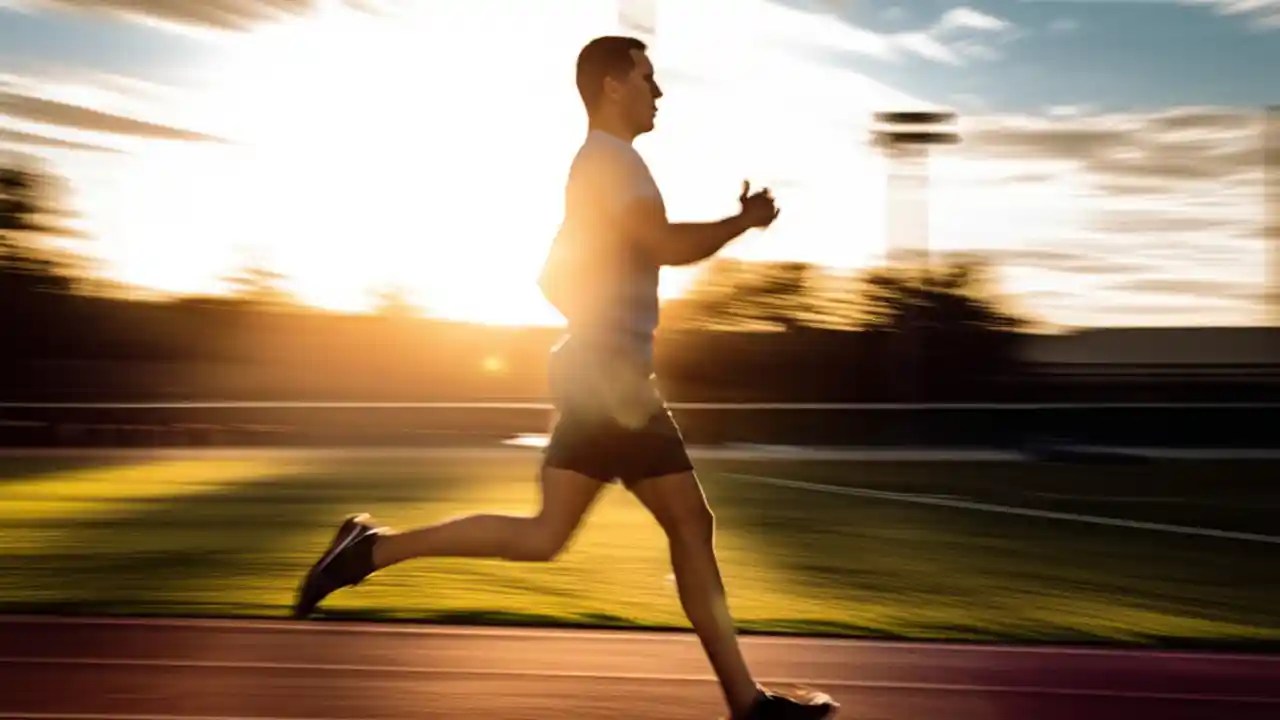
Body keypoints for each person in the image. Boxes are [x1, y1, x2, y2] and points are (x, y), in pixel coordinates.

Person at [293, 35, 839, 720]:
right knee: (682, 525)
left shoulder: (598, 167)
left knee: (550, 535)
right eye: (648, 77)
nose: (659, 91)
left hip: (602, 375)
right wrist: (743, 221)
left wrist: (599, 324)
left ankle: (370, 550)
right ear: (612, 85)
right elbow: (665, 246)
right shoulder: (612, 164)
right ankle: (747, 704)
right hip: (612, 384)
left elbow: (552, 275)